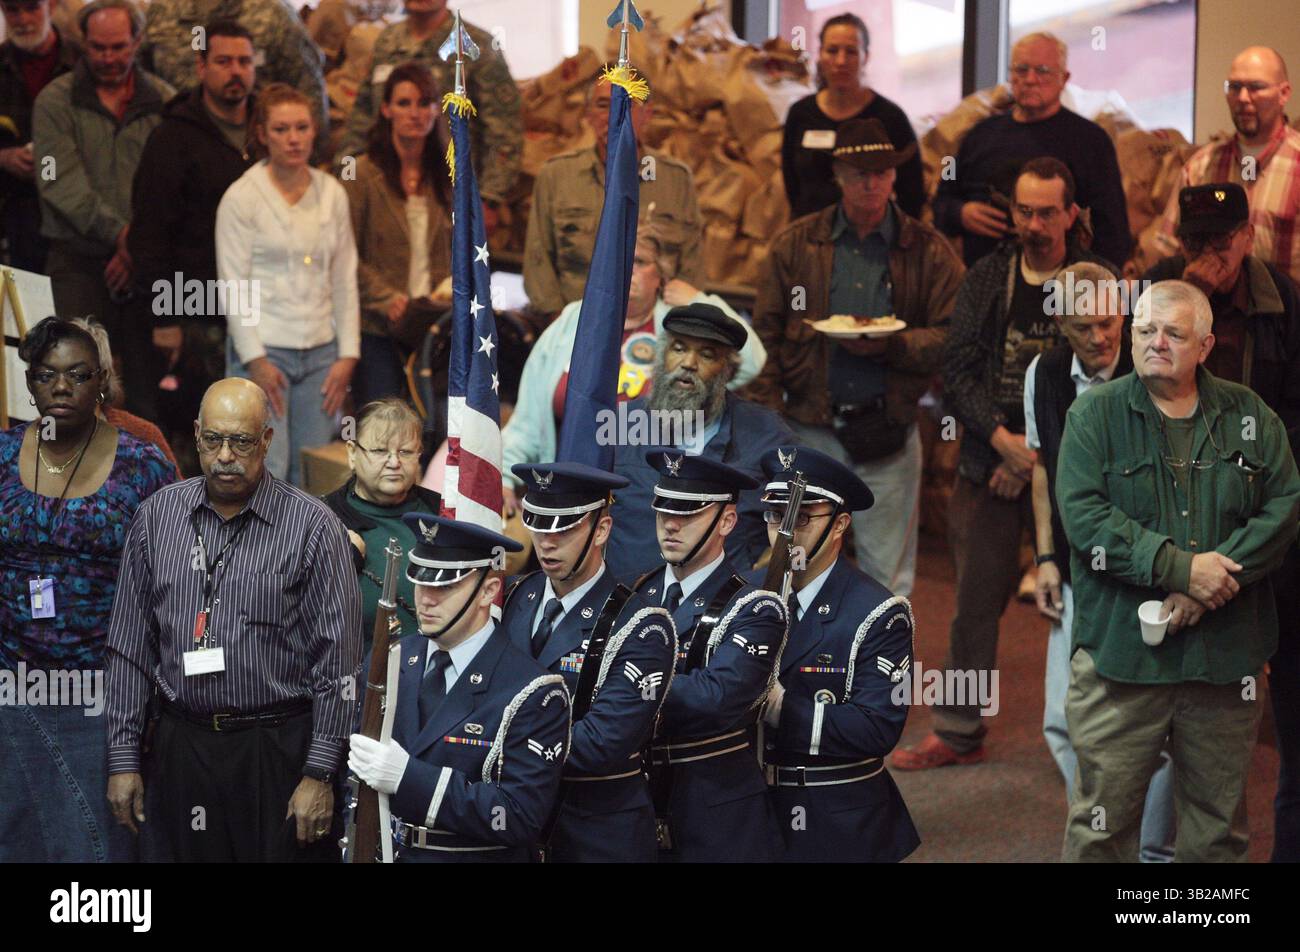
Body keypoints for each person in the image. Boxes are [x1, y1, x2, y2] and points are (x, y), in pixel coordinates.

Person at [1056, 280, 1300, 862]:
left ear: (1206, 345)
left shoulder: (1249, 415)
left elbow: (1285, 506)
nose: (1155, 343)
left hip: (1223, 663)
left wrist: (1208, 587)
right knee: (1100, 827)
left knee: (1216, 832)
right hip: (1122, 662)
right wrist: (1181, 569)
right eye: (1144, 331)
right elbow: (1085, 518)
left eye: (1173, 333)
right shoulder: (1095, 414)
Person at [895, 157, 1116, 769]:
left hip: (1077, 472)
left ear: (1073, 214)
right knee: (973, 603)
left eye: (1048, 211)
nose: (1035, 223)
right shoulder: (990, 278)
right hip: (989, 460)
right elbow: (960, 370)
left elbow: (1110, 376)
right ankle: (959, 729)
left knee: (1083, 598)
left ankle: (1093, 739)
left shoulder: (1096, 283)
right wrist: (1004, 443)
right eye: (1024, 210)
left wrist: (1038, 456)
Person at [104, 377, 362, 862]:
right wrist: (123, 757)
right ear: (197, 434)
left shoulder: (312, 527)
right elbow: (128, 647)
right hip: (183, 748)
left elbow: (340, 664)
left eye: (241, 441)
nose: (225, 455)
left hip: (278, 751)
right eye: (213, 440)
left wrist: (320, 773)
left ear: (266, 439)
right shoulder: (156, 519)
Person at [1145, 182, 1300, 862]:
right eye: (1194, 244)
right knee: (1167, 714)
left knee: (1283, 706)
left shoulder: (1284, 303)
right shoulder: (1154, 301)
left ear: (1247, 236)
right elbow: (1133, 407)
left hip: (1271, 528)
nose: (1209, 257)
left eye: (1222, 243)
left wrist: (1249, 464)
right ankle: (1158, 860)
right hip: (1177, 530)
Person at [749, 118, 963, 597]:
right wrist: (771, 427)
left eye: (881, 171)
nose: (871, 182)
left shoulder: (928, 250)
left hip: (888, 435)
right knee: (793, 575)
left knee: (886, 583)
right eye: (858, 172)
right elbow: (763, 341)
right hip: (808, 431)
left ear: (893, 177)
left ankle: (880, 671)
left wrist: (896, 344)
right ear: (838, 175)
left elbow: (955, 337)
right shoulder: (795, 244)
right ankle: (789, 673)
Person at [0, 317, 174, 863]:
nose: (60, 386)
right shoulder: (3, 456)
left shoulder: (142, 465)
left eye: (77, 374)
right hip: (11, 686)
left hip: (99, 694)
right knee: (17, 835)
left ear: (102, 382)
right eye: (46, 374)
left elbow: (169, 584)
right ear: (29, 384)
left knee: (94, 848)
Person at [1022, 262, 1176, 862]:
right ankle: (1106, 834)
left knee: (1150, 730)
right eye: (1083, 326)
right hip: (1075, 564)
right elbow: (1043, 469)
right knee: (1062, 722)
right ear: (1059, 324)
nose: (1100, 337)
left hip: (1147, 567)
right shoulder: (1046, 373)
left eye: (1110, 322)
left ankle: (1153, 856)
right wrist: (1044, 557)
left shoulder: (1154, 365)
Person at [347, 513, 571, 863]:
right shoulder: (395, 657)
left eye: (446, 586)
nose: (426, 599)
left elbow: (518, 815)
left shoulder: (534, 691)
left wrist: (410, 779)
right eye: (421, 582)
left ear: (488, 591)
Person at [503, 224, 764, 500]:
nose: (628, 269)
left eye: (639, 261)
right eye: (619, 260)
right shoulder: (573, 320)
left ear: (661, 275)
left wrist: (697, 299)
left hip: (648, 493)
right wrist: (504, 477)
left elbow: (751, 361)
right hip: (565, 487)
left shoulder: (680, 332)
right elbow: (528, 421)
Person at [499, 462, 677, 862]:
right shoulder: (519, 597)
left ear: (601, 529)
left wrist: (492, 742)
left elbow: (601, 743)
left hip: (595, 832)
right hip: (518, 829)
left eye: (564, 528)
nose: (546, 542)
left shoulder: (641, 625)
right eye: (539, 525)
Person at [755, 445, 920, 863]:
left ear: (840, 524)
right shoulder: (751, 596)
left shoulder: (878, 613)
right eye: (776, 516)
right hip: (754, 812)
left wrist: (780, 707)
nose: (784, 533)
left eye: (802, 517)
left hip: (836, 817)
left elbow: (877, 728)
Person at [633, 451, 785, 862]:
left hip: (715, 806)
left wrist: (625, 684)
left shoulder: (755, 608)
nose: (671, 524)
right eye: (663, 509)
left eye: (688, 513)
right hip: (638, 799)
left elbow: (716, 697)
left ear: (727, 522)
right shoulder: (638, 594)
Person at [32, 0, 172, 417]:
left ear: (137, 42)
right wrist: (122, 236)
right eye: (98, 48)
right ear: (83, 45)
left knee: (149, 394)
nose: (108, 58)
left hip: (145, 267)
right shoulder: (54, 102)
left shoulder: (164, 102)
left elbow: (168, 190)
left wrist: (135, 246)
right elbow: (58, 182)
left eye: (118, 47)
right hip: (77, 262)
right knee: (75, 388)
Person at [216, 82, 360, 487]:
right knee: (263, 469)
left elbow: (344, 278)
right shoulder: (242, 197)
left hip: (321, 352)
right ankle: (256, 552)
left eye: (302, 127)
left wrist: (348, 354)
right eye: (281, 129)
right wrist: (255, 360)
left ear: (315, 131)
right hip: (264, 349)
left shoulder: (331, 192)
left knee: (313, 473)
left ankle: (306, 552)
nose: (293, 139)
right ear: (262, 133)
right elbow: (233, 284)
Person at [129, 16, 256, 456]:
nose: (235, 70)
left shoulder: (270, 130)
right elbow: (149, 234)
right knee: (200, 428)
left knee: (249, 425)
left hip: (259, 306)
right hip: (193, 305)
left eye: (244, 61)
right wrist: (164, 317)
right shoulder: (173, 137)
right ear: (201, 67)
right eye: (223, 61)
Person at [607, 302, 792, 580]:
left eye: (706, 355)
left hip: (723, 609)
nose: (688, 364)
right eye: (679, 348)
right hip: (623, 604)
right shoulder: (621, 425)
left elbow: (803, 520)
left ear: (727, 370)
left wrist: (767, 575)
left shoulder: (766, 434)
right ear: (661, 356)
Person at [931, 31, 1130, 270]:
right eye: (1021, 70)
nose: (1030, 79)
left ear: (1064, 78)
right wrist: (960, 212)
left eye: (1043, 71)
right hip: (982, 281)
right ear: (1010, 75)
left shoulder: (1091, 142)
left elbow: (1113, 231)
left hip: (1061, 283)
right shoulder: (977, 136)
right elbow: (942, 197)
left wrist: (1093, 290)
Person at [523, 81, 702, 318]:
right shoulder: (558, 175)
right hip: (576, 322)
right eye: (603, 105)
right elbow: (538, 261)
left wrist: (671, 324)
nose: (614, 116)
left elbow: (691, 265)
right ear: (587, 114)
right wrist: (563, 327)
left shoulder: (674, 179)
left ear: (647, 114)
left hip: (653, 329)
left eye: (627, 105)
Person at [337, 0, 520, 228]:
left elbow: (504, 132)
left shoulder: (477, 46)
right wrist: (347, 176)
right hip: (385, 195)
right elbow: (361, 120)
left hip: (450, 197)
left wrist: (489, 199)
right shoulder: (387, 42)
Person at [342, 60, 451, 407]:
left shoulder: (451, 174)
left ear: (436, 109)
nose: (415, 113)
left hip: (436, 320)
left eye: (425, 103)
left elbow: (468, 247)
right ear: (386, 109)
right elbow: (344, 253)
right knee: (382, 425)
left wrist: (450, 288)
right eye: (404, 103)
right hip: (379, 326)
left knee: (435, 425)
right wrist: (385, 297)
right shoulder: (360, 174)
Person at [1156, 47, 1300, 284]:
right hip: (1212, 313)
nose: (1243, 98)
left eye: (1256, 87)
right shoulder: (1201, 167)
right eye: (1234, 87)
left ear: (1283, 93)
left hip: (1286, 317)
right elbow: (1167, 249)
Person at [781, 13, 923, 221]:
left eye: (851, 52)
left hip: (872, 241)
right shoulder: (800, 113)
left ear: (866, 56)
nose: (841, 61)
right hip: (810, 238)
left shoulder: (890, 117)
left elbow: (912, 192)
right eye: (832, 51)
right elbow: (792, 184)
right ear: (820, 54)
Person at [323, 397, 441, 647]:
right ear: (352, 454)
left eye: (406, 452)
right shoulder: (321, 519)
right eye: (379, 451)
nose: (394, 462)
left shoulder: (443, 514)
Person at [141, 0, 327, 150]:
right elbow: (140, 82)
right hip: (177, 149)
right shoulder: (161, 13)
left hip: (256, 151)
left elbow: (310, 92)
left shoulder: (272, 14)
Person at [0, 0, 80, 273]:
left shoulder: (85, 64)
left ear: (52, 5)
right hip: (16, 215)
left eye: (32, 7)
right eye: (12, 10)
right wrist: (4, 157)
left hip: (76, 218)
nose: (23, 19)